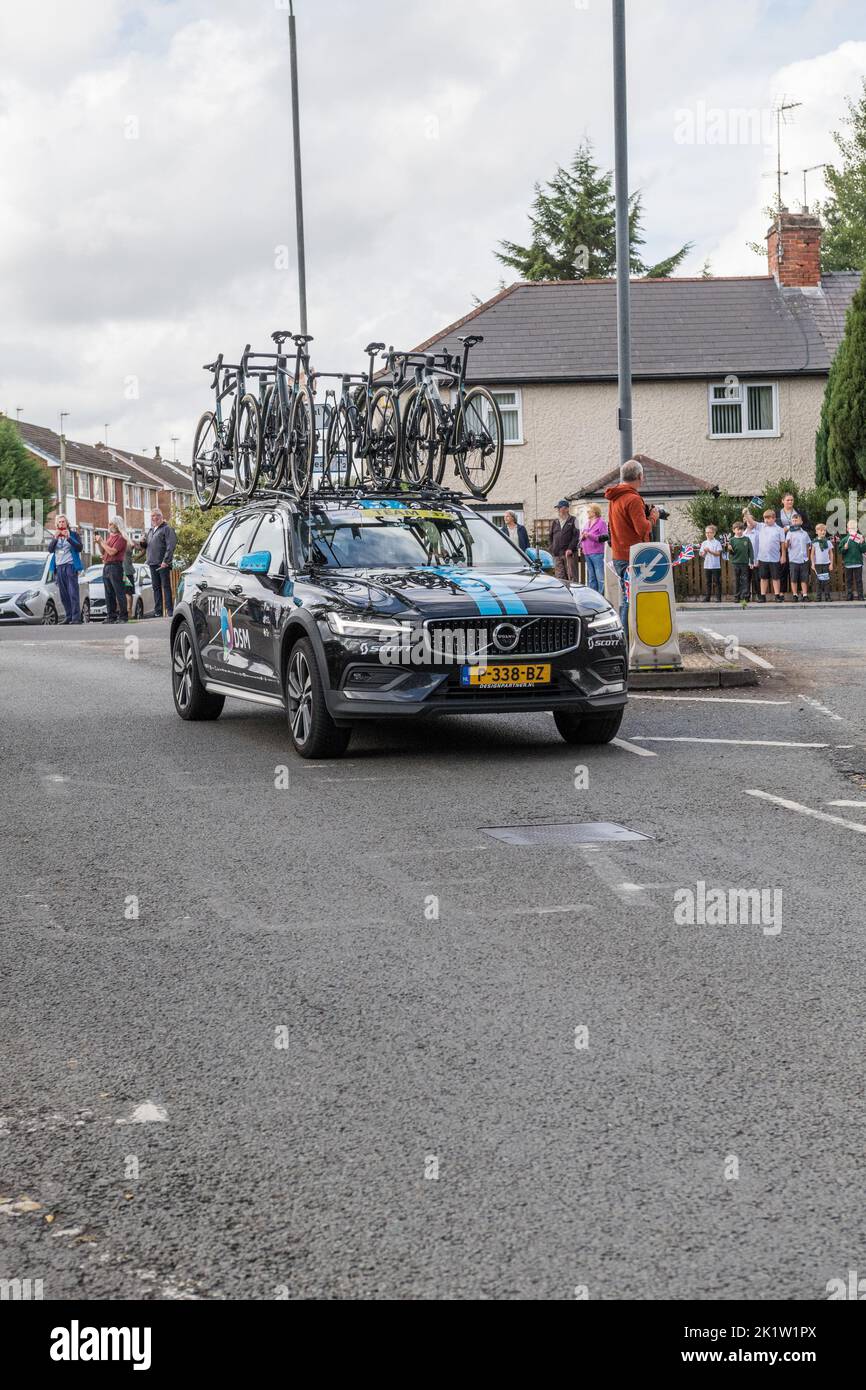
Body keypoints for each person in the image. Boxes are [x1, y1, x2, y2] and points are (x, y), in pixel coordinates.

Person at [605, 460, 658, 629]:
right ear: (640, 476)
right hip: (634, 556)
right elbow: (642, 529)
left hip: (619, 555)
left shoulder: (614, 498)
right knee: (632, 600)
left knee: (627, 597)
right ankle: (629, 640)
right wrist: (653, 517)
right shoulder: (633, 499)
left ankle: (627, 638)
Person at [135, 509, 176, 618]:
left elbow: (170, 546)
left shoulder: (167, 529)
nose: (155, 518)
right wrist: (142, 543)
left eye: (157, 516)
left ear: (161, 517)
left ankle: (170, 611)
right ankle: (158, 611)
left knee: (166, 587)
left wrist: (166, 561)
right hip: (152, 563)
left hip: (162, 563)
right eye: (153, 516)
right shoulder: (151, 530)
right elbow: (147, 546)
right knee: (156, 588)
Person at [46, 515, 84, 624]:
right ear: (57, 524)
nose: (62, 523)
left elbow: (79, 548)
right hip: (59, 567)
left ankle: (76, 618)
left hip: (70, 566)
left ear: (67, 523)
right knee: (64, 595)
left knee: (73, 593)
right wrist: (55, 538)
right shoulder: (55, 536)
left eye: (63, 521)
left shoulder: (73, 534)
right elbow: (50, 550)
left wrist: (69, 538)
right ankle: (69, 616)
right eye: (59, 522)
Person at [744, 507, 786, 603]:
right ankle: (762, 596)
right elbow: (751, 522)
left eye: (768, 518)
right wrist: (746, 514)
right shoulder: (761, 526)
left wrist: (783, 556)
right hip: (762, 557)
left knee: (776, 578)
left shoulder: (779, 529)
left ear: (774, 518)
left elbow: (782, 543)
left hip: (775, 557)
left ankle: (777, 596)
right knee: (763, 578)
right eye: (765, 518)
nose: (766, 520)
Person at [95, 519, 129, 623]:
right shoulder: (110, 537)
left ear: (117, 524)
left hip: (116, 566)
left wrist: (102, 541)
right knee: (108, 593)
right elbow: (103, 551)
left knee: (119, 592)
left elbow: (112, 552)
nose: (109, 525)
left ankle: (123, 616)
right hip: (107, 566)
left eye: (111, 523)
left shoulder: (121, 538)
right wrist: (98, 543)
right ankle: (111, 615)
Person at [579, 503, 608, 594]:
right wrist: (582, 538)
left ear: (595, 512)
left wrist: (589, 535)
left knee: (600, 577)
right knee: (591, 577)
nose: (587, 512)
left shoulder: (601, 523)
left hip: (597, 553)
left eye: (589, 511)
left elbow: (604, 537)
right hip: (587, 553)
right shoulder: (587, 523)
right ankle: (593, 595)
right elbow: (582, 535)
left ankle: (601, 596)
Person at [784, 512, 811, 603]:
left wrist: (807, 557)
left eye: (797, 520)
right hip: (794, 559)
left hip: (803, 559)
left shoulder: (805, 533)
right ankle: (795, 594)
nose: (795, 522)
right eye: (793, 521)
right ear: (791, 522)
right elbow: (786, 546)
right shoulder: (789, 533)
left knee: (804, 578)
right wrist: (787, 542)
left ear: (801, 522)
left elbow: (808, 545)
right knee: (794, 578)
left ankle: (805, 594)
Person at [549, 500, 578, 583]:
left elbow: (576, 536)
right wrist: (552, 548)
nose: (558, 510)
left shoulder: (574, 520)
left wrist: (570, 548)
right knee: (560, 577)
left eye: (560, 508)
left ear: (567, 509)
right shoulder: (555, 521)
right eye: (558, 508)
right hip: (557, 554)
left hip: (569, 553)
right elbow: (550, 536)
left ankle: (574, 593)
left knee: (571, 576)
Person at [837, 521, 865, 601]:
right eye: (851, 528)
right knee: (849, 581)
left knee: (859, 580)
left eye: (854, 528)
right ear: (847, 529)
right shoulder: (845, 539)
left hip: (858, 563)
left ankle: (860, 595)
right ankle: (849, 595)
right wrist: (844, 548)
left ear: (857, 529)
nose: (852, 530)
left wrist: (862, 543)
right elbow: (840, 551)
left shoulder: (859, 538)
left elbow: (863, 550)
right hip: (848, 563)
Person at [726, 522, 753, 604]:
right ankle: (736, 597)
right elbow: (731, 554)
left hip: (744, 563)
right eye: (737, 529)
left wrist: (751, 562)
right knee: (736, 580)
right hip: (735, 563)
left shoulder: (747, 539)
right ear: (734, 530)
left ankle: (744, 597)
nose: (739, 531)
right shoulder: (732, 540)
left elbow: (750, 551)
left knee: (745, 580)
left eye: (741, 529)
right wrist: (729, 549)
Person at [699, 524, 723, 602]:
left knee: (717, 582)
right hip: (707, 565)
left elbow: (718, 553)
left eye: (710, 532)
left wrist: (710, 551)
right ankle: (707, 597)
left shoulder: (717, 543)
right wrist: (704, 552)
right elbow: (702, 555)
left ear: (714, 533)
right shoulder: (704, 543)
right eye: (706, 532)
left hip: (715, 566)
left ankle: (718, 598)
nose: (708, 534)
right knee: (707, 582)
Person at [811, 523, 834, 602]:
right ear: (817, 532)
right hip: (818, 565)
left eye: (824, 530)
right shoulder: (815, 542)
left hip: (826, 564)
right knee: (818, 581)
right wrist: (813, 564)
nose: (823, 532)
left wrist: (831, 564)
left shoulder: (828, 542)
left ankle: (827, 597)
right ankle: (818, 597)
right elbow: (812, 554)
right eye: (821, 530)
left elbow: (831, 553)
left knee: (826, 581)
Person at [123, 545, 137, 619]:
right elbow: (143, 548)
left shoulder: (125, 544)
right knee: (128, 593)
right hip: (127, 572)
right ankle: (129, 613)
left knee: (127, 593)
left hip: (125, 573)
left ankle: (128, 613)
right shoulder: (129, 544)